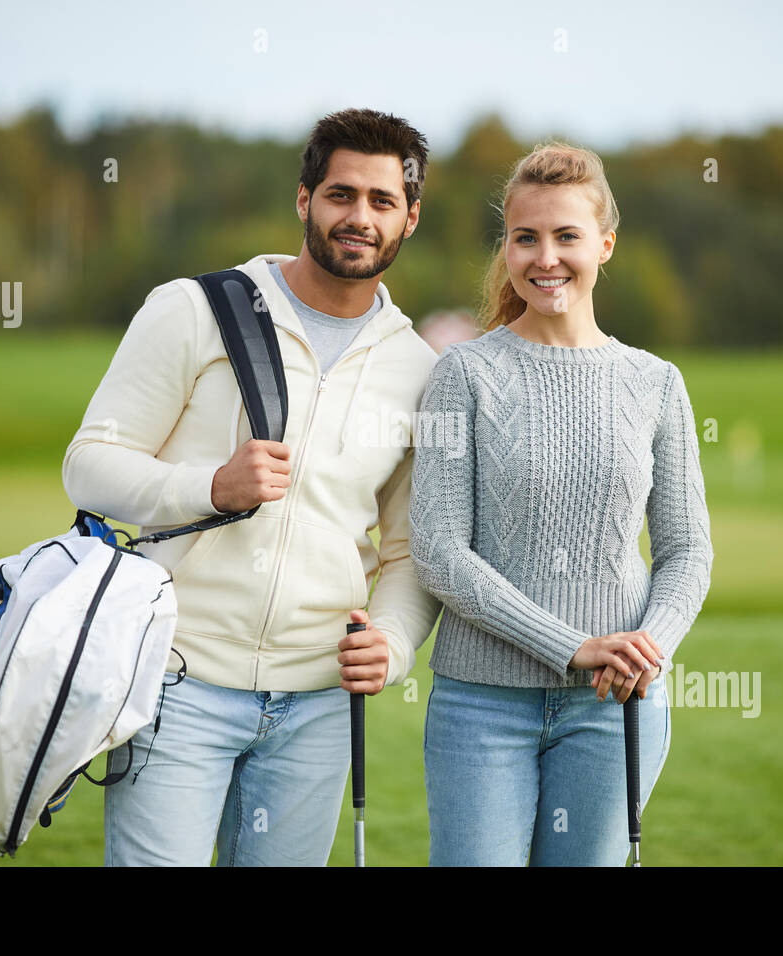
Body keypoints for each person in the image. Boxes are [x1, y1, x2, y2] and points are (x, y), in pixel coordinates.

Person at [63, 108, 441, 866]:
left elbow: (408, 554)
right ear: (304, 200)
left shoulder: (420, 370)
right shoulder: (194, 309)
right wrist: (211, 485)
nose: (358, 217)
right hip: (177, 681)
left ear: (410, 218)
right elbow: (90, 464)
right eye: (340, 195)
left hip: (319, 705)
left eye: (381, 201)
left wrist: (394, 646)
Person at [409, 141, 715, 866]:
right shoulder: (462, 374)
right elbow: (440, 552)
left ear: (605, 244)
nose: (546, 257)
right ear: (507, 248)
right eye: (526, 238)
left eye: (567, 236)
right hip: (482, 706)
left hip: (615, 708)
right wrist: (571, 648)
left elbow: (687, 549)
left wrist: (652, 647)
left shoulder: (656, 382)